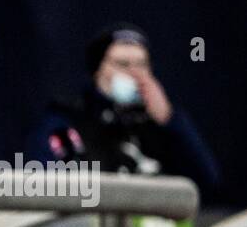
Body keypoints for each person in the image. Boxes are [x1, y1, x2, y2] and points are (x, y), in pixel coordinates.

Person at [26, 23, 221, 200]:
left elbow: (206, 180)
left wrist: (170, 119)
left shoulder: (161, 124)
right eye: (123, 64)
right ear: (98, 70)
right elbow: (46, 190)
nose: (135, 73)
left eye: (142, 64)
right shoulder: (68, 121)